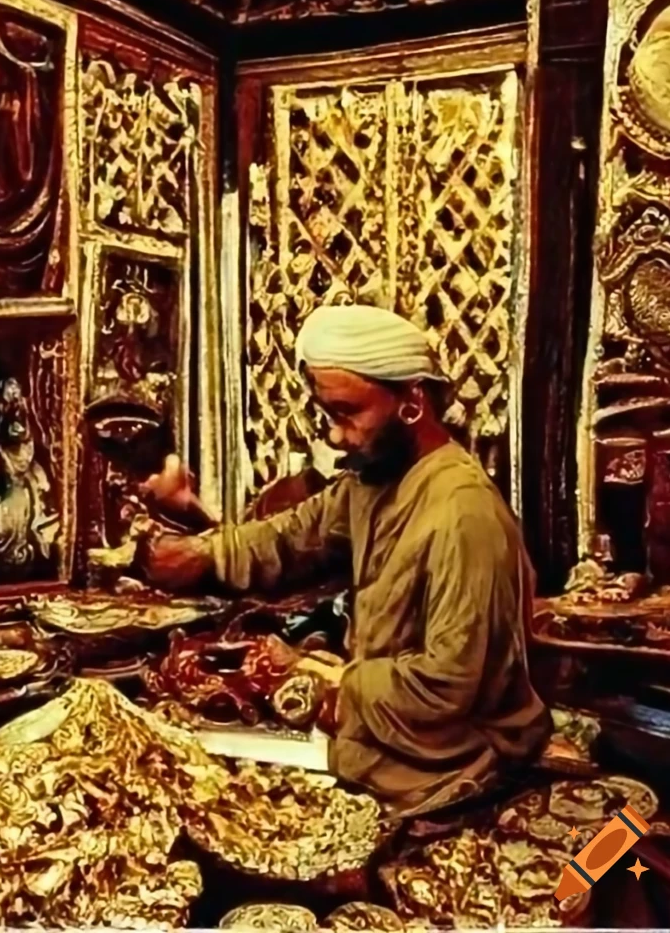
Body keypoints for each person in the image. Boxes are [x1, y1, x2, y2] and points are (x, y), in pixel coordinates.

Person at [140, 304, 551, 817]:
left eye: (348, 413)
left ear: (412, 401)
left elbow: (446, 687)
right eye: (328, 415)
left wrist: (324, 680)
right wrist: (202, 553)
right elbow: (291, 537)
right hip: (378, 730)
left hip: (448, 761)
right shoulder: (373, 480)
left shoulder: (464, 515)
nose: (335, 436)